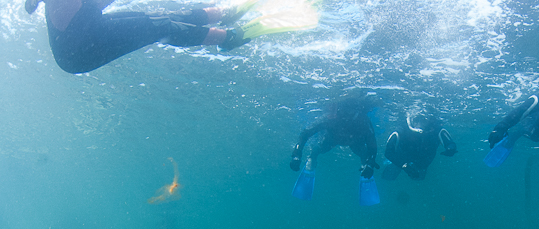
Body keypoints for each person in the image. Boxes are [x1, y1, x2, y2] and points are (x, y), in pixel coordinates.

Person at [24, 0, 255, 74]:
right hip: (78, 51)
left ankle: (223, 14)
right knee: (159, 25)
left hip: (89, 30)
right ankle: (228, 38)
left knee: (159, 19)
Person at [289, 91, 380, 204]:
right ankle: (313, 157)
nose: (344, 116)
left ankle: (364, 164)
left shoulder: (361, 120)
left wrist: (370, 163)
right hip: (336, 139)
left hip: (347, 141)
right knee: (317, 149)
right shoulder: (333, 118)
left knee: (320, 149)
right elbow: (305, 133)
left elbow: (372, 143)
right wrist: (296, 154)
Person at [382, 109, 457, 181]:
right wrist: (404, 166)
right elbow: (388, 152)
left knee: (419, 178)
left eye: (423, 120)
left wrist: (450, 149)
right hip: (404, 159)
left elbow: (449, 143)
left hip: (423, 162)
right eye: (416, 120)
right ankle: (395, 167)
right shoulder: (402, 130)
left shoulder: (434, 129)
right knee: (393, 174)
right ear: (411, 120)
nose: (420, 124)